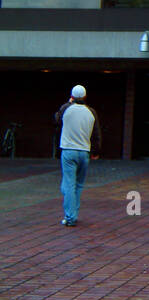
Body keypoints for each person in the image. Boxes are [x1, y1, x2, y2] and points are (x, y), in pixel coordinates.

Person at [55, 84, 101, 227]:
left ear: (72, 97)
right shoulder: (91, 112)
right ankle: (74, 212)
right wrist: (96, 151)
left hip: (69, 150)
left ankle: (70, 217)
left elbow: (57, 119)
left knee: (68, 184)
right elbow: (96, 133)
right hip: (84, 151)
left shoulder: (66, 108)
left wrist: (68, 103)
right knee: (78, 185)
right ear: (85, 97)